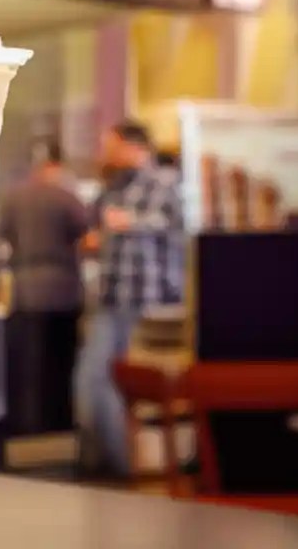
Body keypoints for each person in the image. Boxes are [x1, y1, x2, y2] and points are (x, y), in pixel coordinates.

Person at [74, 121, 183, 478]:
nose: (104, 152)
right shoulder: (113, 188)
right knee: (93, 379)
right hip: (111, 298)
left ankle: (123, 469)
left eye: (111, 144)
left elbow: (174, 227)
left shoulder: (164, 182)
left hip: (148, 303)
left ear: (133, 146)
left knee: (119, 382)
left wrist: (129, 222)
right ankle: (109, 465)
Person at [0, 140, 88, 443]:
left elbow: (1, 234)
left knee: (25, 364)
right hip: (62, 289)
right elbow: (88, 236)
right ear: (56, 166)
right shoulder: (67, 198)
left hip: (25, 289)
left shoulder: (12, 198)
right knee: (59, 365)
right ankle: (57, 427)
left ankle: (25, 427)